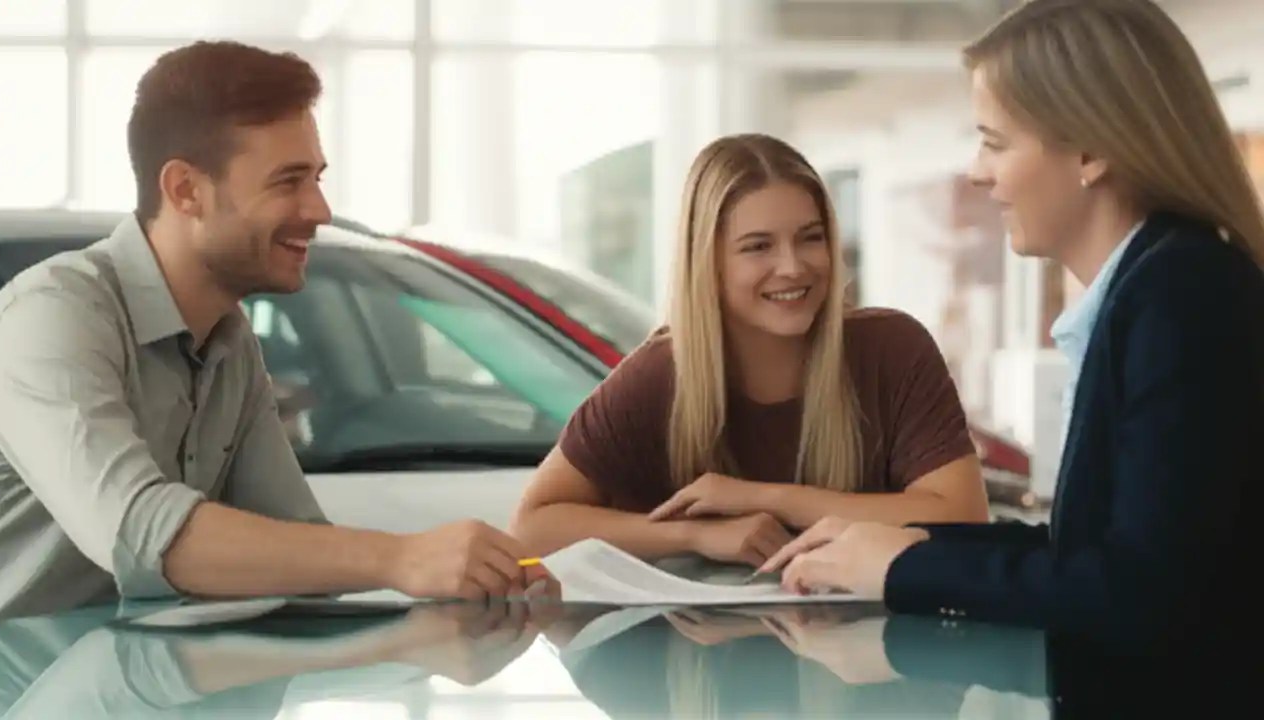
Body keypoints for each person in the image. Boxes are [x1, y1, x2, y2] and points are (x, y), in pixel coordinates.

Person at [0, 41, 552, 623]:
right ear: (185, 191)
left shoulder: (227, 340)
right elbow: (140, 531)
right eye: (289, 181)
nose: (320, 209)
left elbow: (295, 544)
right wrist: (403, 558)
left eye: (317, 177)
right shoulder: (51, 315)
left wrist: (437, 621)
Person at [761, 0, 1263, 652]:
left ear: (1090, 149)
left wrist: (903, 570)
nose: (977, 171)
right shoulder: (1159, 286)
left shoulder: (1180, 296)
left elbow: (1137, 588)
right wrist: (910, 545)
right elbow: (1091, 550)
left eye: (995, 142)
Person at [510, 133, 989, 567]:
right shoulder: (661, 373)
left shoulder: (892, 349)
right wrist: (693, 535)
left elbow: (963, 518)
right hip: (695, 653)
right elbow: (533, 528)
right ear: (709, 263)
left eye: (810, 239)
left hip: (864, 650)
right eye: (758, 247)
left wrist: (765, 499)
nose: (792, 267)